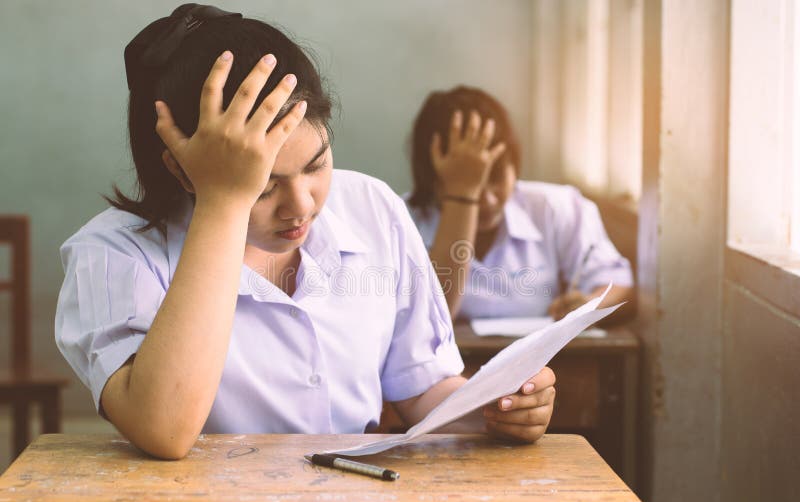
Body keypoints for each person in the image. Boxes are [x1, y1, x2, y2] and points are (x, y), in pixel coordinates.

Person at [54, 5, 556, 460]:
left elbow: (422, 388)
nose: (301, 206)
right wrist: (223, 202)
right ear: (183, 171)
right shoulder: (111, 254)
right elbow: (163, 428)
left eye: (316, 165)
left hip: (359, 501)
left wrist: (495, 409)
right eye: (264, 186)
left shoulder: (372, 207)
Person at [405, 86, 635, 321]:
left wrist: (589, 306)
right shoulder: (401, 221)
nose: (487, 199)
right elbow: (433, 317)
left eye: (496, 178)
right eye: (470, 181)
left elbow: (616, 281)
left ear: (514, 165)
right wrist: (462, 197)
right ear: (430, 178)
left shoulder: (555, 207)